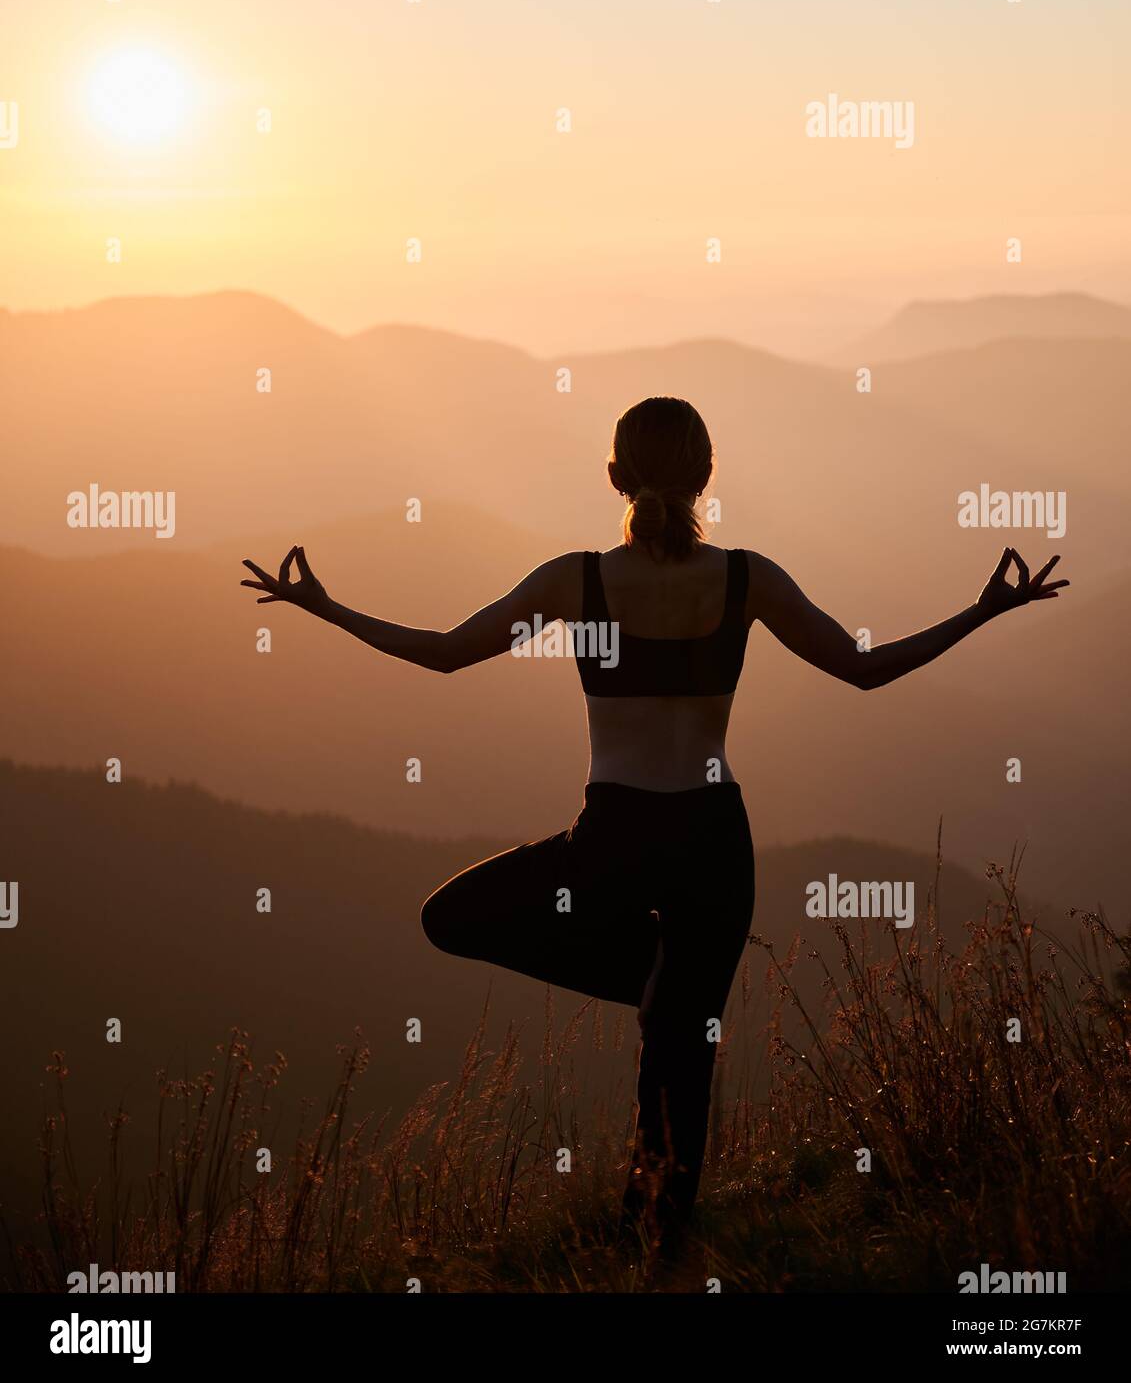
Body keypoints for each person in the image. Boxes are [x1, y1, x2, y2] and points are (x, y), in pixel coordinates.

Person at [240, 395, 1069, 1251]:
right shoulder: (747, 577)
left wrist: (326, 608)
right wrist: (980, 612)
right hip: (714, 840)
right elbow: (861, 670)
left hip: (612, 842)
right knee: (683, 1051)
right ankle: (659, 1217)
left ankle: (647, 1196)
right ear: (707, 475)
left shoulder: (578, 580)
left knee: (452, 917)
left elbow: (448, 651)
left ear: (613, 478)